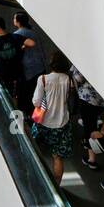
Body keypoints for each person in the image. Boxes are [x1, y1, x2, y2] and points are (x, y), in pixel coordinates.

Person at [30, 51, 74, 185]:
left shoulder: (43, 79)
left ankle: (36, 179)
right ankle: (57, 186)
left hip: (43, 122)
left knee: (35, 151)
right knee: (57, 157)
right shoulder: (69, 80)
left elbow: (36, 102)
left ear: (52, 63)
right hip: (62, 123)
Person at [69, 66, 104, 171]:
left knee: (90, 128)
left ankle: (92, 160)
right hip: (100, 101)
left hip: (87, 99)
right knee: (91, 124)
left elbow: (77, 78)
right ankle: (89, 146)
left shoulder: (83, 61)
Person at [12, 12, 44, 119]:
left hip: (27, 70)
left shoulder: (16, 34)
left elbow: (16, 53)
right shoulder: (33, 32)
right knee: (36, 94)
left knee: (25, 95)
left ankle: (27, 116)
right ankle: (36, 116)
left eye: (14, 18)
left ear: (18, 21)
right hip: (39, 67)